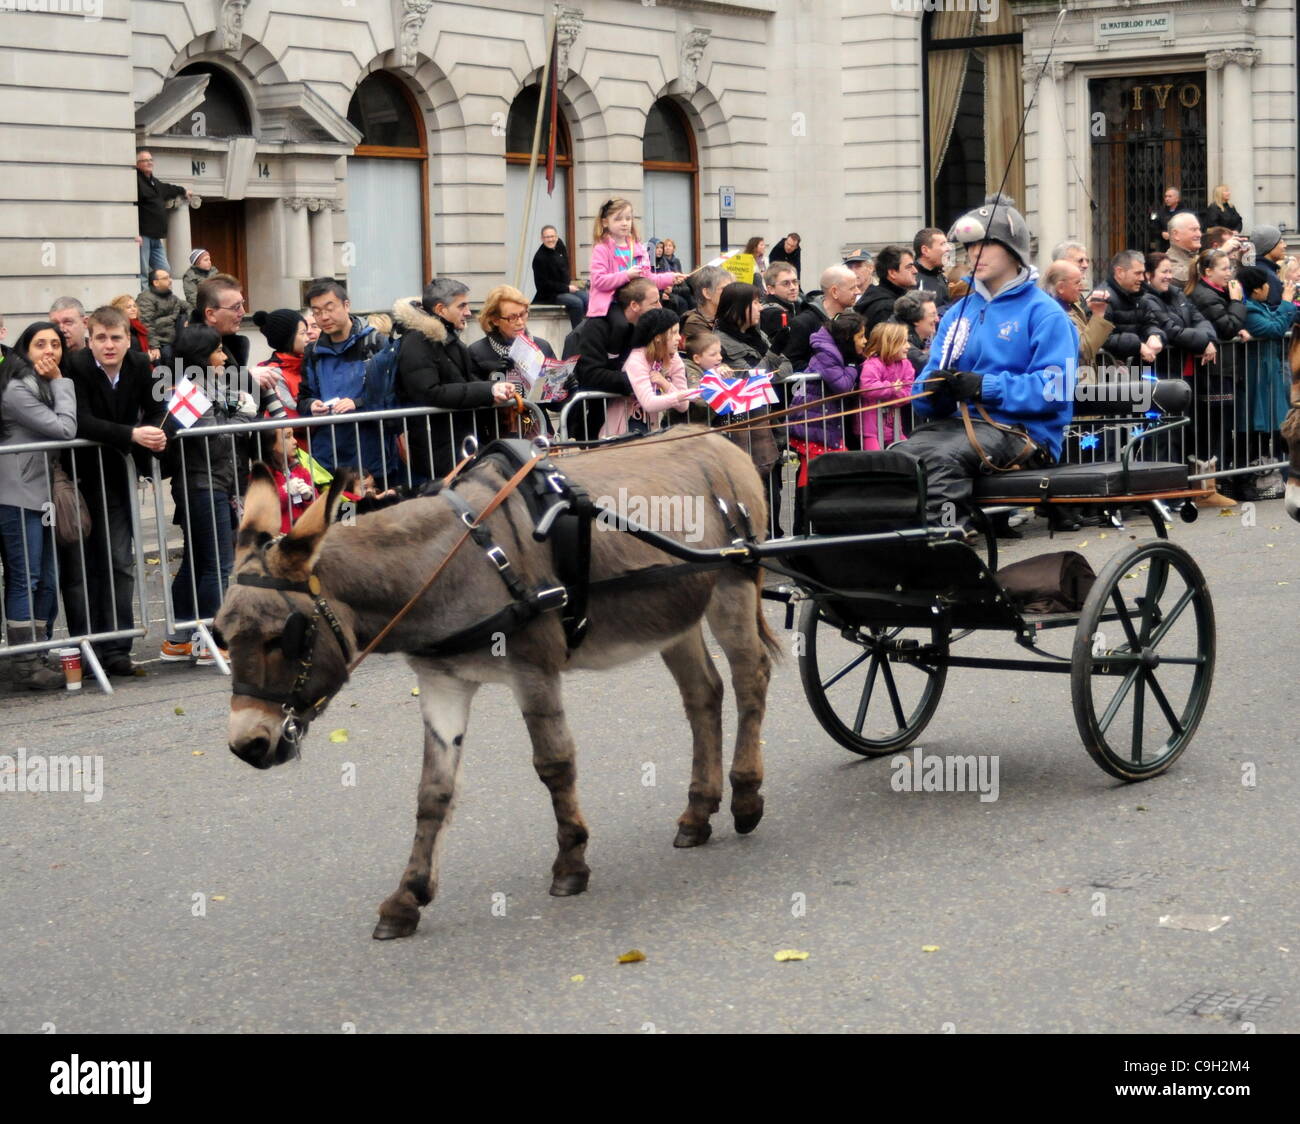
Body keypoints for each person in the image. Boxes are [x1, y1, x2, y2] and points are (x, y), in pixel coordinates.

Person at [904, 193, 1076, 515]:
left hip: (1025, 435)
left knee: (942, 459)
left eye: (986, 244)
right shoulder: (957, 314)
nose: (974, 253)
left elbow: (1056, 390)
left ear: (1014, 251)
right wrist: (934, 389)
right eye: (968, 246)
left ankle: (943, 542)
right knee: (899, 458)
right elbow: (923, 397)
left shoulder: (1046, 313)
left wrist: (985, 387)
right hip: (960, 429)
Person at [66, 306, 168, 675]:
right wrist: (130, 434)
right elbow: (80, 419)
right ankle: (85, 647)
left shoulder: (141, 365)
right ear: (90, 339)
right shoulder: (74, 366)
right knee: (86, 567)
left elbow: (159, 407)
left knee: (120, 562)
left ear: (129, 338)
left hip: (121, 476)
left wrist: (156, 432)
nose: (109, 346)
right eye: (101, 338)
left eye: (117, 338)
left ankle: (118, 649)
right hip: (79, 477)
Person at [158, 325, 244, 666]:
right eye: (218, 351)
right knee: (217, 564)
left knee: (196, 562)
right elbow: (213, 437)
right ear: (200, 357)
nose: (224, 357)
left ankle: (179, 638)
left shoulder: (210, 384)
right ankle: (214, 639)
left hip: (214, 481)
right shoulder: (187, 389)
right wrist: (243, 416)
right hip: (202, 482)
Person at [0, 321, 76, 689]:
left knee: (46, 579)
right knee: (26, 578)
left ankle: (40, 652)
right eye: (41, 344)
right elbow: (64, 429)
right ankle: (25, 661)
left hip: (39, 494)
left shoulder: (40, 385)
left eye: (56, 344)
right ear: (24, 349)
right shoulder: (18, 389)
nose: (50, 351)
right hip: (16, 496)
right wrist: (62, 382)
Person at [393, 278, 516, 481]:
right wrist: (488, 391)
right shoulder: (418, 341)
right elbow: (430, 392)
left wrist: (492, 381)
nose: (468, 312)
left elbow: (461, 379)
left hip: (457, 442)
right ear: (441, 309)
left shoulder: (446, 338)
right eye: (462, 306)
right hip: (437, 449)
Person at [297, 280, 395, 485]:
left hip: (370, 454)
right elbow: (304, 398)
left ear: (346, 305)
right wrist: (311, 405)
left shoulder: (375, 343)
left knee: (373, 515)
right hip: (328, 455)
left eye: (329, 308)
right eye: (316, 312)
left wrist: (358, 403)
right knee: (342, 515)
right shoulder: (312, 352)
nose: (324, 317)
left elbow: (392, 395)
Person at [789, 311, 866, 506]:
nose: (865, 341)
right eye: (861, 336)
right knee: (816, 474)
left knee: (820, 473)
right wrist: (854, 366)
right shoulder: (826, 353)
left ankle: (814, 517)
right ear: (848, 339)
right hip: (812, 426)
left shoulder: (836, 352)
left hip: (821, 424)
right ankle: (807, 521)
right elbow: (842, 385)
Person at [1236, 264, 1298, 498]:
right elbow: (1274, 328)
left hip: (1267, 373)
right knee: (1256, 425)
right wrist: (1286, 302)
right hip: (1256, 376)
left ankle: (1270, 475)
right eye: (1266, 285)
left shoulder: (1258, 306)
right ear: (1257, 289)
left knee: (1269, 425)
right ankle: (1250, 479)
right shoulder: (1250, 309)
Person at [713, 282, 787, 479]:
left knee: (774, 496)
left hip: (768, 421)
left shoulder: (758, 335)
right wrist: (773, 356)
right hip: (744, 429)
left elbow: (786, 368)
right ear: (737, 308)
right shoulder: (720, 341)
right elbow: (748, 379)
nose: (760, 307)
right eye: (755, 302)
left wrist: (767, 371)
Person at [602, 307, 697, 437]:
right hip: (626, 424)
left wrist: (665, 384)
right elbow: (649, 403)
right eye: (674, 333)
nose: (679, 338)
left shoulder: (674, 358)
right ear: (658, 337)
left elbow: (683, 406)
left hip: (651, 423)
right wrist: (681, 395)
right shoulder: (637, 360)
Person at [587, 197, 682, 318]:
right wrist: (626, 275)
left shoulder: (639, 248)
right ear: (605, 222)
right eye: (618, 219)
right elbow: (599, 281)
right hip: (610, 304)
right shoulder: (601, 248)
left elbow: (647, 279)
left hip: (635, 303)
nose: (625, 223)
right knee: (621, 326)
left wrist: (671, 278)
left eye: (628, 218)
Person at [1139, 252, 1216, 377]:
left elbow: (1199, 319)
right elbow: (1171, 330)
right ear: (1148, 275)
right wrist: (1205, 342)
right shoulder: (1146, 300)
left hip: (1184, 367)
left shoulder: (1177, 294)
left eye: (1170, 271)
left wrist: (1210, 339)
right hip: (1160, 370)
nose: (1169, 276)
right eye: (1164, 272)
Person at [467, 284, 557, 390]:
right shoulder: (477, 352)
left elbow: (556, 401)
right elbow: (472, 397)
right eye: (512, 317)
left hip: (535, 407)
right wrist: (495, 377)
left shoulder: (542, 346)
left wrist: (565, 387)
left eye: (523, 314)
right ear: (495, 320)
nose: (520, 322)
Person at [782, 264, 859, 371]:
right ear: (834, 292)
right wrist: (828, 372)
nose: (858, 291)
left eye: (857, 286)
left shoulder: (855, 319)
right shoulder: (803, 323)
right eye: (852, 288)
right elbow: (791, 363)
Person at [1041, 260, 1111, 373]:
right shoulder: (1055, 313)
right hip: (1072, 382)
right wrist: (1098, 314)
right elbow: (1084, 350)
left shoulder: (1069, 305)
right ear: (1061, 287)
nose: (1082, 287)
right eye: (1077, 283)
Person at [1096, 250, 1163, 364]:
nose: (1142, 278)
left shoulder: (1140, 296)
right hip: (1110, 373)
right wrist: (1137, 345)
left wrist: (1155, 335)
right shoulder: (1103, 298)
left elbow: (1150, 323)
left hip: (1135, 370)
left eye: (1143, 273)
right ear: (1119, 272)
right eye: (1137, 273)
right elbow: (1100, 337)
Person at [134, 150, 190, 286]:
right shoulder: (135, 181)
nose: (149, 163)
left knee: (164, 270)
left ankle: (159, 297)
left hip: (156, 236)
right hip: (144, 235)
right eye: (145, 160)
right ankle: (145, 302)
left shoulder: (154, 183)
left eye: (150, 160)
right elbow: (130, 207)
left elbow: (169, 188)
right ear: (137, 165)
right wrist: (135, 232)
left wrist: (183, 190)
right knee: (143, 271)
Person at [857, 321, 915, 451]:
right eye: (903, 342)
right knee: (876, 459)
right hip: (870, 428)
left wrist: (896, 395)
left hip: (894, 425)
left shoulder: (905, 364)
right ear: (890, 343)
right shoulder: (872, 364)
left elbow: (908, 390)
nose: (908, 346)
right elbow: (867, 386)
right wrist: (892, 389)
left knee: (908, 453)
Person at [250, 308, 308, 438]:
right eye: (303, 333)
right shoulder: (270, 372)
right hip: (289, 448)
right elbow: (288, 414)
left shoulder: (307, 364)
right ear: (287, 337)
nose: (307, 338)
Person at [532, 225, 588, 328]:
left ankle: (591, 331)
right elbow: (543, 285)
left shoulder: (560, 245)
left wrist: (570, 283)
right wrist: (566, 288)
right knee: (577, 303)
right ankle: (577, 336)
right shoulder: (539, 258)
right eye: (547, 237)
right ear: (542, 239)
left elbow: (565, 267)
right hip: (550, 295)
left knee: (587, 298)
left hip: (566, 288)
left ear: (557, 237)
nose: (550, 239)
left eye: (552, 236)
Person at [1186, 249, 1248, 341]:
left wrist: (1239, 331)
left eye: (1229, 268)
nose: (1229, 273)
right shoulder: (1206, 298)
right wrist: (1236, 301)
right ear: (1209, 272)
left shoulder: (1216, 292)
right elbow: (1227, 330)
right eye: (1224, 269)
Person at [855, 244, 917, 331]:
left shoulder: (892, 299)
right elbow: (891, 343)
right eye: (909, 267)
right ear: (892, 273)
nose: (915, 271)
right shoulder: (885, 308)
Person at [136, 269, 187, 356]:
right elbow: (146, 324)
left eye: (170, 277)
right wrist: (154, 346)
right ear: (156, 283)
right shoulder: (146, 298)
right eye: (166, 278)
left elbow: (188, 306)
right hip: (160, 343)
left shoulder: (171, 297)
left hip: (171, 340)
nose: (170, 280)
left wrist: (190, 318)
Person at [1247, 225, 1300, 309]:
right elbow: (1275, 314)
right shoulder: (1267, 274)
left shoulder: (1260, 268)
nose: (1285, 245)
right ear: (1269, 246)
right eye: (1280, 242)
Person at [892, 290, 940, 376]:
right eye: (932, 315)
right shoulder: (899, 342)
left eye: (936, 314)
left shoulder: (925, 337)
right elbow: (927, 364)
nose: (937, 319)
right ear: (916, 320)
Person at [759, 262, 802, 354]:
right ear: (771, 289)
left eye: (795, 282)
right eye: (786, 283)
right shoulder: (774, 314)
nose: (793, 287)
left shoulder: (796, 304)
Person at [680, 265, 733, 338]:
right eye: (724, 289)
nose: (731, 292)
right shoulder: (695, 323)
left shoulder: (726, 315)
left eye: (731, 287)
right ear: (707, 293)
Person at [913, 227, 951, 309]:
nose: (949, 248)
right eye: (943, 244)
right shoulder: (912, 279)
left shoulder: (940, 276)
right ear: (925, 250)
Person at [110, 295, 156, 360]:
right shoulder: (119, 329)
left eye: (134, 306)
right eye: (128, 307)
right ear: (120, 310)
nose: (133, 309)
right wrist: (146, 357)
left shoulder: (138, 326)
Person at [1149, 185, 1193, 251]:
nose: (1167, 198)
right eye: (1166, 196)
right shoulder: (1161, 212)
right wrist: (1161, 233)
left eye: (1170, 196)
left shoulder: (1185, 213)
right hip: (1165, 248)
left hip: (1181, 247)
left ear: (1177, 199)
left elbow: (1190, 229)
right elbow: (1153, 227)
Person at [1165, 212, 1203, 286]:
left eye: (1199, 229)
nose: (1199, 234)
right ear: (1176, 234)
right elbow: (1187, 277)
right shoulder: (1167, 262)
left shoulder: (1198, 257)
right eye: (1194, 230)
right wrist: (1216, 258)